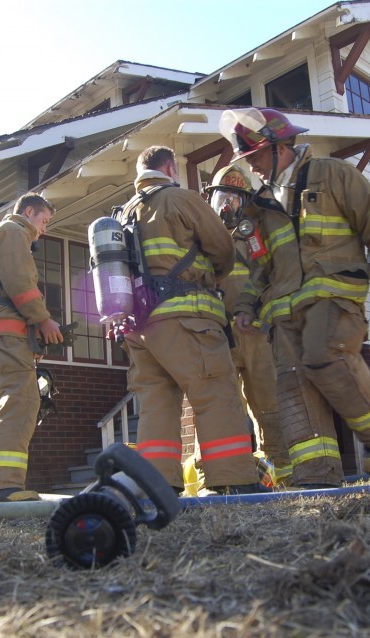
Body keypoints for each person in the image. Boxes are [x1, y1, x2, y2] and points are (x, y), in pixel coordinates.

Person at [218, 108, 370, 487]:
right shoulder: (260, 209)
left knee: (324, 356)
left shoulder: (333, 174)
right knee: (293, 389)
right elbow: (261, 269)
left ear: (279, 146)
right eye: (248, 159)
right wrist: (245, 307)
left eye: (255, 156)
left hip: (332, 294)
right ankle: (316, 480)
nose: (252, 166)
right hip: (282, 312)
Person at [117, 146, 265, 494]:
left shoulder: (124, 212)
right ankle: (233, 480)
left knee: (156, 404)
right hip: (185, 318)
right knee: (215, 391)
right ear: (170, 167)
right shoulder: (180, 199)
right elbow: (223, 250)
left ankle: (158, 486)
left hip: (139, 328)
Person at [0, 192, 64, 502]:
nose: (44, 229)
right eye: (44, 221)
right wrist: (43, 320)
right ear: (28, 212)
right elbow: (19, 283)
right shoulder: (12, 232)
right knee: (19, 402)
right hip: (4, 333)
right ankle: (5, 486)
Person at [204, 164, 292, 487]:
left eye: (233, 199)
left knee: (269, 403)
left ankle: (283, 472)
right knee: (223, 409)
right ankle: (232, 478)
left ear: (245, 202)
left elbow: (271, 274)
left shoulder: (255, 235)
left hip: (255, 333)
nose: (226, 206)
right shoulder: (203, 239)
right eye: (221, 198)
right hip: (219, 335)